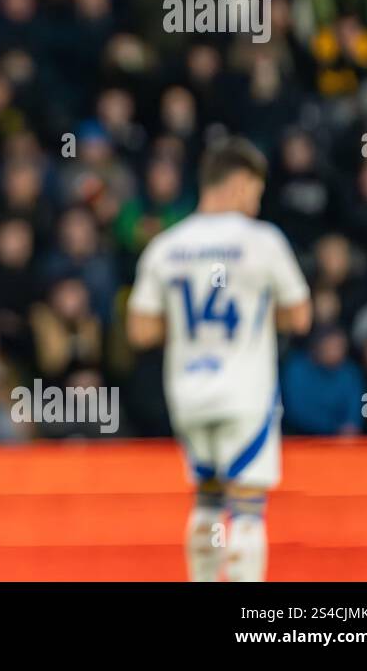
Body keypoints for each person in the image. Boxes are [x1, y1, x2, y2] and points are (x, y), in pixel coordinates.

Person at [126, 138, 312, 582]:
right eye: (256, 192)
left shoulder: (167, 246)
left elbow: (140, 330)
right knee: (247, 510)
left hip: (189, 392)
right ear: (243, 184)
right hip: (245, 392)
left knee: (207, 500)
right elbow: (300, 316)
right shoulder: (262, 241)